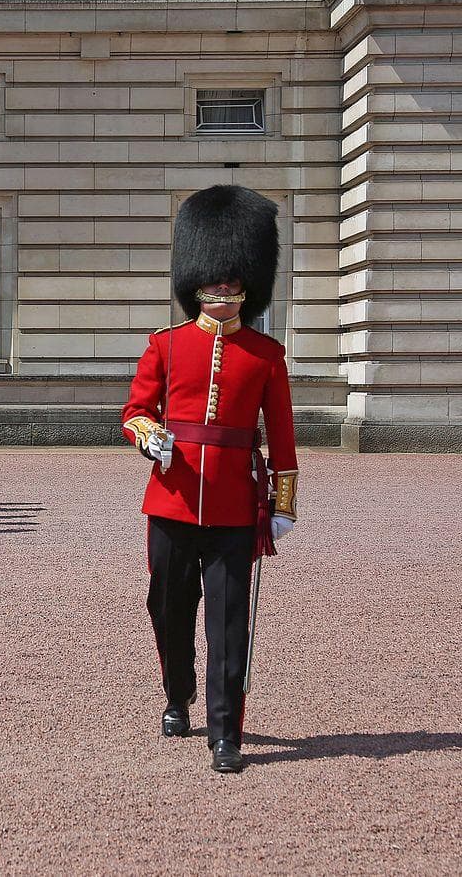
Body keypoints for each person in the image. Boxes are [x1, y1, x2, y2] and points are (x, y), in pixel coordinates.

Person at [121, 184, 299, 774]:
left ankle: (226, 733)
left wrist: (282, 503)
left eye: (232, 281)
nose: (222, 290)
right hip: (171, 499)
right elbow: (136, 411)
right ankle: (178, 693)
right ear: (195, 282)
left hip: (233, 507)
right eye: (213, 281)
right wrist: (149, 436)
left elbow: (282, 436)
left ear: (247, 285)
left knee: (229, 622)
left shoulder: (265, 355)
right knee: (167, 608)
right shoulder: (166, 346)